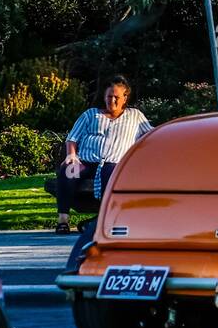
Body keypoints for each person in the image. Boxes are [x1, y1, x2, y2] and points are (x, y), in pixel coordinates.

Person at [57, 75, 153, 234]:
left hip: (114, 162)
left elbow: (151, 136)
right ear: (104, 96)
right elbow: (72, 138)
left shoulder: (135, 116)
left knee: (112, 176)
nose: (112, 100)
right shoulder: (91, 114)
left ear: (125, 98)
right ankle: (63, 220)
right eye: (109, 96)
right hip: (85, 162)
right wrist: (71, 155)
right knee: (68, 171)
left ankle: (101, 221)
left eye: (116, 97)